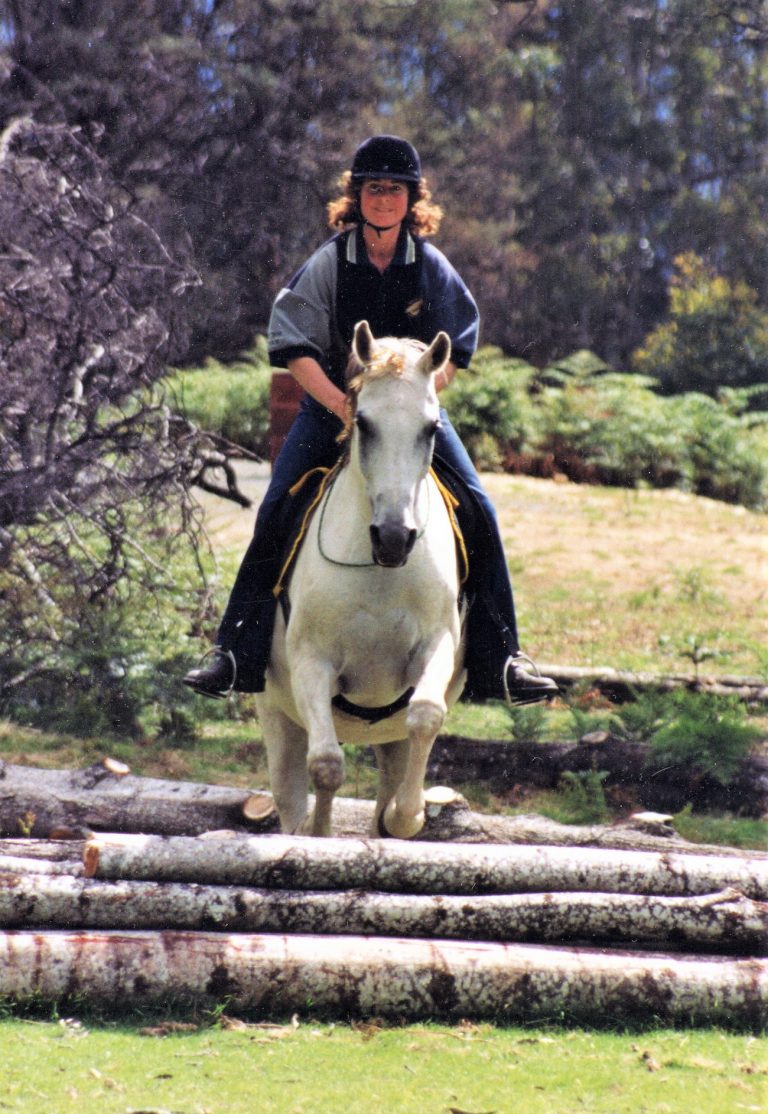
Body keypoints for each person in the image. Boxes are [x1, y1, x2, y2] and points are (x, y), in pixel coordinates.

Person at [184, 135, 557, 705]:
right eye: (374, 188)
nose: (385, 199)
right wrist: (341, 404)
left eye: (396, 190)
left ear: (413, 199)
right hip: (333, 407)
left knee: (479, 507)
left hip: (408, 415)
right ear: (357, 197)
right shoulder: (330, 262)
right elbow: (293, 345)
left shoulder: (430, 264)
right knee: (279, 503)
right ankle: (235, 652)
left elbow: (455, 346)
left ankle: (501, 658)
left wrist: (418, 396)